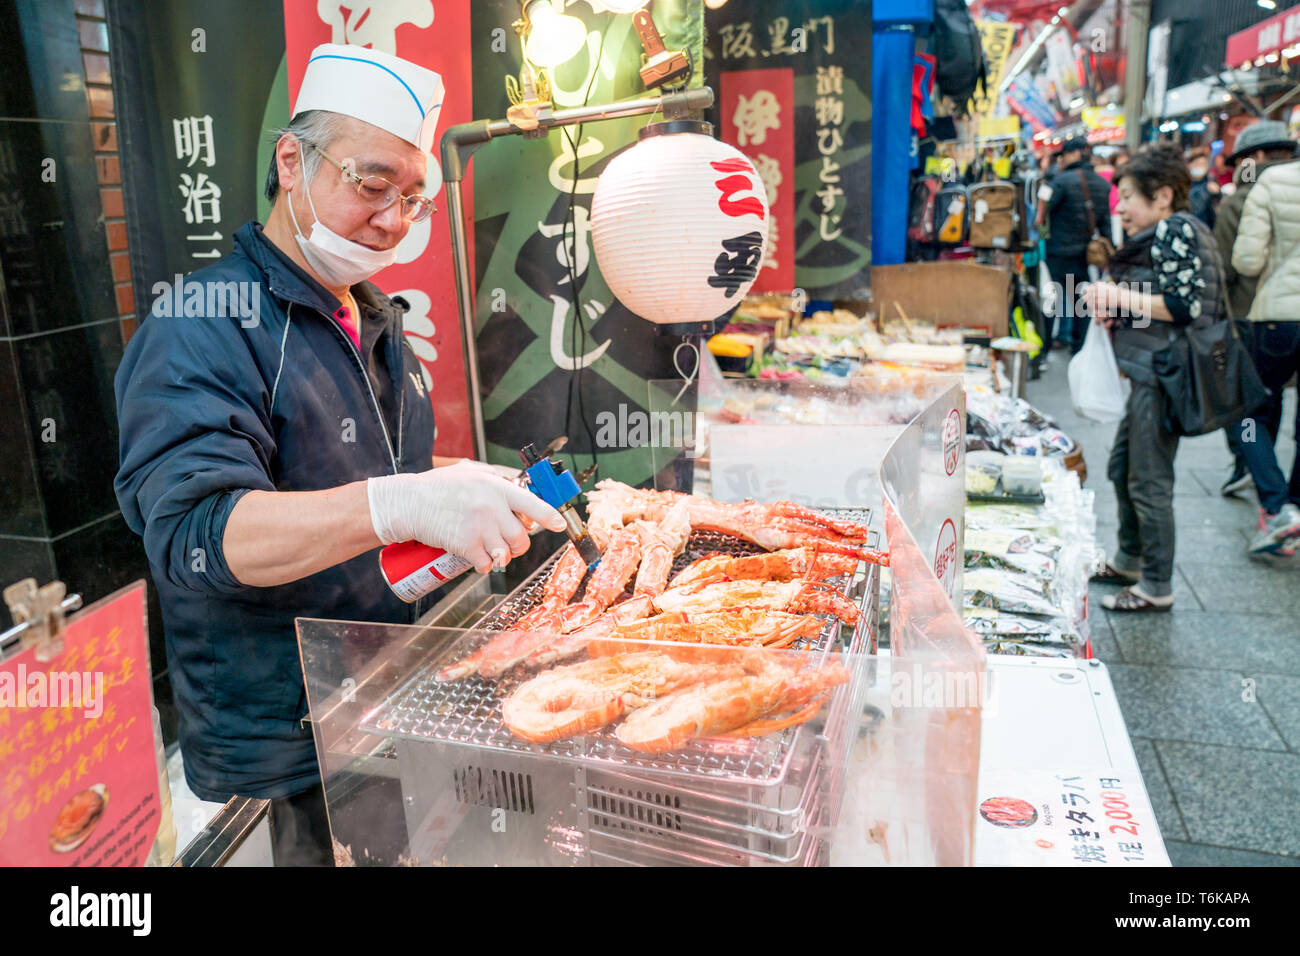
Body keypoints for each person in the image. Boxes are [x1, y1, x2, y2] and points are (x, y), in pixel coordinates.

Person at [113, 45, 569, 865]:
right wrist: (397, 503)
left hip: (384, 701)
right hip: (285, 747)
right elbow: (196, 536)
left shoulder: (375, 319)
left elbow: (346, 474)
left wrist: (442, 480)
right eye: (371, 186)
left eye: (413, 198)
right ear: (291, 160)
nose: (394, 220)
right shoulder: (201, 324)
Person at [1083, 143, 1228, 612]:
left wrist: (1117, 297)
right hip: (1152, 369)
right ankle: (1129, 560)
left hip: (1164, 374)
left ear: (1163, 195)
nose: (1120, 207)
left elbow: (1185, 308)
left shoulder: (1175, 230)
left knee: (1148, 479)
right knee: (1122, 466)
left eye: (1127, 196)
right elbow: (1167, 300)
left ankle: (1156, 587)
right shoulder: (1175, 230)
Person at [1213, 121, 1298, 501]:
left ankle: (1255, 468)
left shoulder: (1242, 198)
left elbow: (1234, 266)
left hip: (1257, 320)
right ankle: (1289, 496)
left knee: (1248, 409)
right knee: (1276, 406)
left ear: (1258, 157)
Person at [1230, 130, 1300, 554]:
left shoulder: (1270, 184)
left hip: (1279, 319)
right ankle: (1293, 505)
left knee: (1250, 414)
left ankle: (1275, 507)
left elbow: (1247, 260)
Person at [1040, 137, 1113, 354]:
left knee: (1051, 300)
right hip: (1083, 253)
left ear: (1074, 154)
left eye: (1064, 155)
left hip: (1057, 252)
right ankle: (1079, 347)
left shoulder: (1060, 182)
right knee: (1081, 300)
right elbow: (1105, 225)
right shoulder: (1102, 184)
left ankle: (1043, 351)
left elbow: (1043, 213)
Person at [1186, 146, 1220, 229]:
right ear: (1189, 165)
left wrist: (1217, 194)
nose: (1200, 167)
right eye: (1197, 164)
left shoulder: (1211, 181)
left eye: (1203, 164)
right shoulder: (1184, 183)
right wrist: (1205, 190)